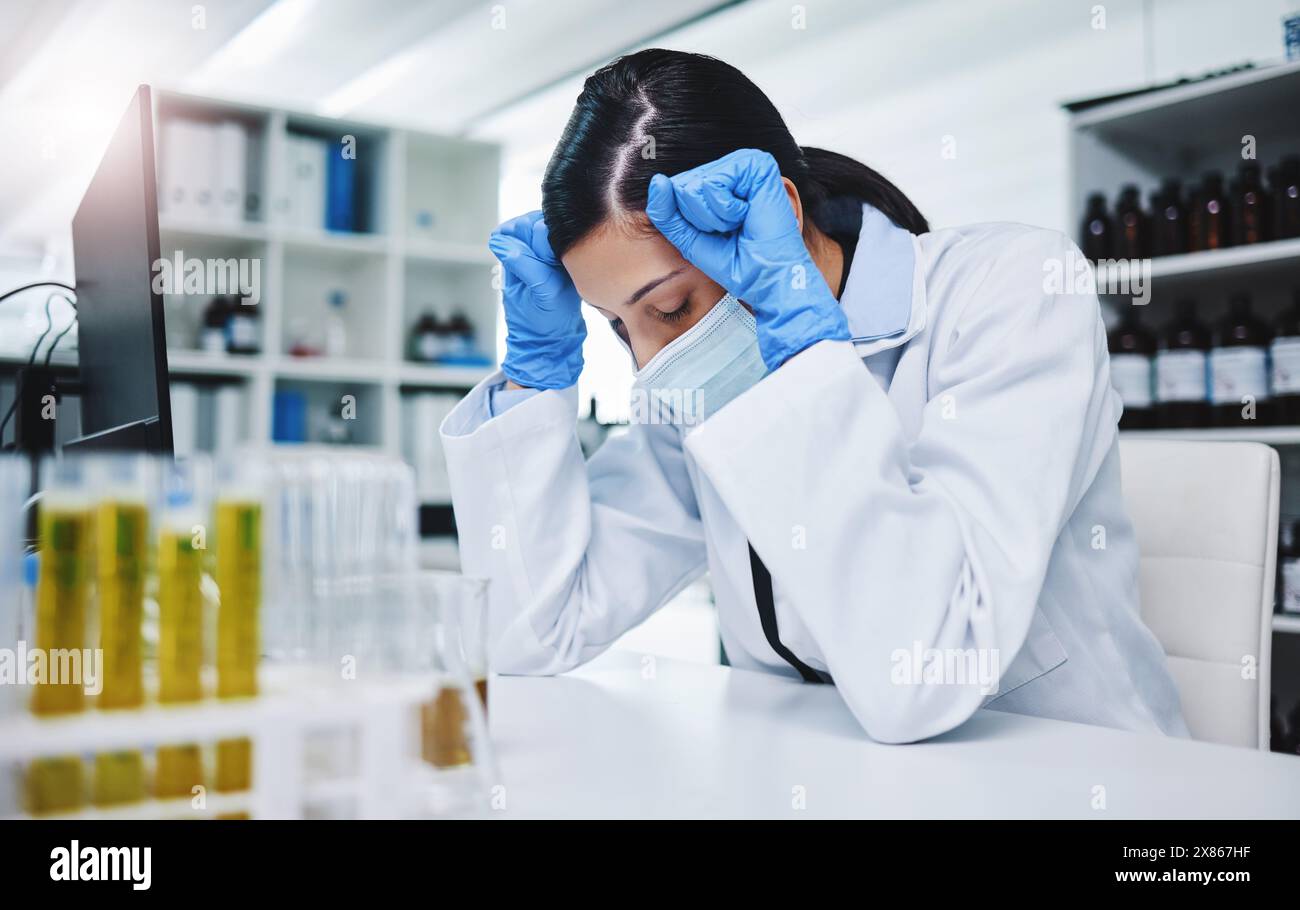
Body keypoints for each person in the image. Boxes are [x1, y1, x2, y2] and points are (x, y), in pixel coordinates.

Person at [440, 49, 1187, 743]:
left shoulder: (1010, 289)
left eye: (668, 309)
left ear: (779, 216)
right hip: (822, 773)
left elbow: (917, 678)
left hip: (1078, 776)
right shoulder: (697, 380)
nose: (649, 366)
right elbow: (531, 632)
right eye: (616, 327)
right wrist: (533, 382)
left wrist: (801, 364)